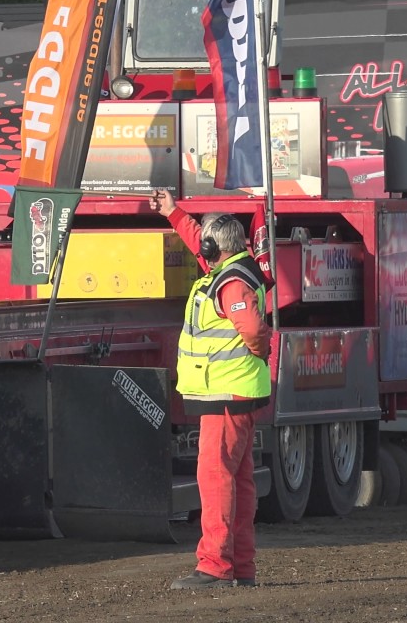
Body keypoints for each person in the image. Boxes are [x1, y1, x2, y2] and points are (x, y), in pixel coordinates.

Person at [151, 189, 272, 589]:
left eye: (203, 239)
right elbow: (197, 239)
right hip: (237, 395)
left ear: (212, 246)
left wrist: (259, 348)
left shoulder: (230, 282)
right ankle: (241, 567)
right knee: (238, 482)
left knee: (216, 480)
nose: (199, 243)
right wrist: (173, 212)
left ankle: (215, 567)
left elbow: (253, 330)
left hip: (225, 396)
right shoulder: (233, 268)